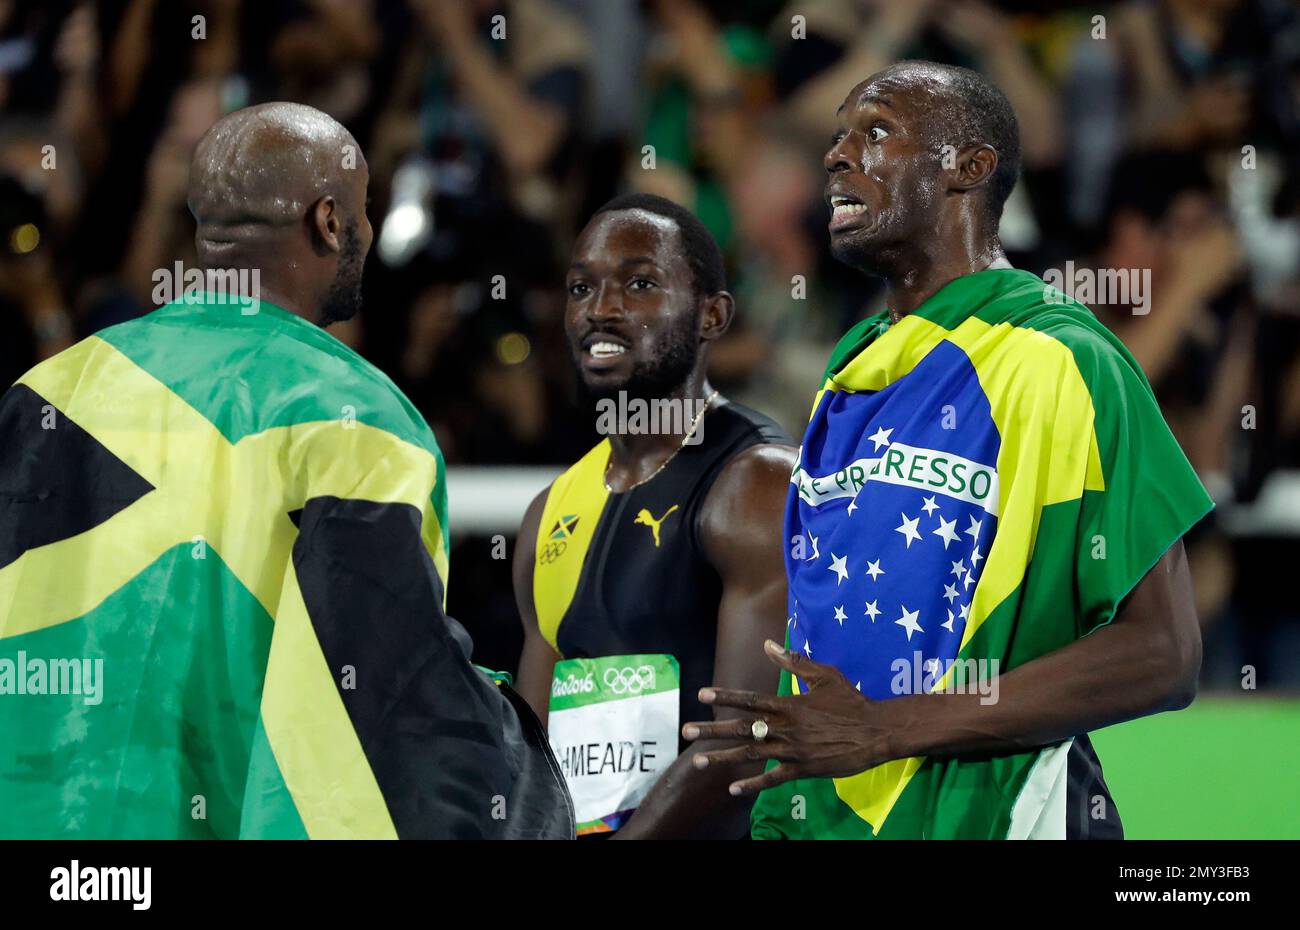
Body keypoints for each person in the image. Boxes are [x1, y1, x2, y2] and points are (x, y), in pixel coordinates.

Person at [0, 102, 571, 840]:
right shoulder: (355, 417)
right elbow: (383, 710)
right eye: (365, 210)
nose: (367, 231)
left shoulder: (46, 393)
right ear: (330, 222)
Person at [684, 62, 1213, 839]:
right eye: (835, 138)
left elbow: (1164, 653)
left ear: (970, 167)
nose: (837, 155)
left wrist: (887, 729)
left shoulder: (1059, 357)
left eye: (875, 133)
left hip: (990, 818)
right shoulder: (854, 366)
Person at [514, 193, 796, 838]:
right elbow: (535, 748)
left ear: (711, 316)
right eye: (581, 287)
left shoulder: (760, 483)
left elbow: (743, 741)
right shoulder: (549, 513)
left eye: (640, 284)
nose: (601, 310)